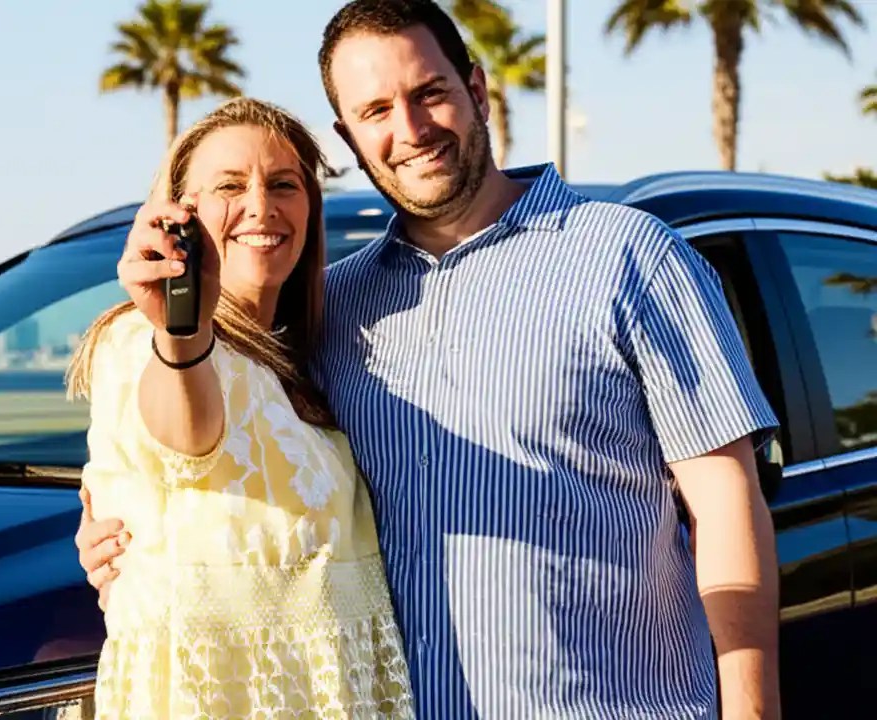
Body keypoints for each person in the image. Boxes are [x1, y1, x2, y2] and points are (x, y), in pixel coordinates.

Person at [79, 0, 783, 717]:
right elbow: (208, 438)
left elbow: (728, 504)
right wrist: (124, 517)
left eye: (429, 94)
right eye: (376, 110)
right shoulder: (334, 307)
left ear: (476, 90)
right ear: (349, 137)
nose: (409, 131)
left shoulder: (629, 256)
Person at [66, 96, 415, 718]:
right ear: (180, 212)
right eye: (230, 185)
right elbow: (187, 437)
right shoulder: (140, 339)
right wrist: (180, 330)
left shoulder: (314, 352)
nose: (262, 206)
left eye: (285, 184)